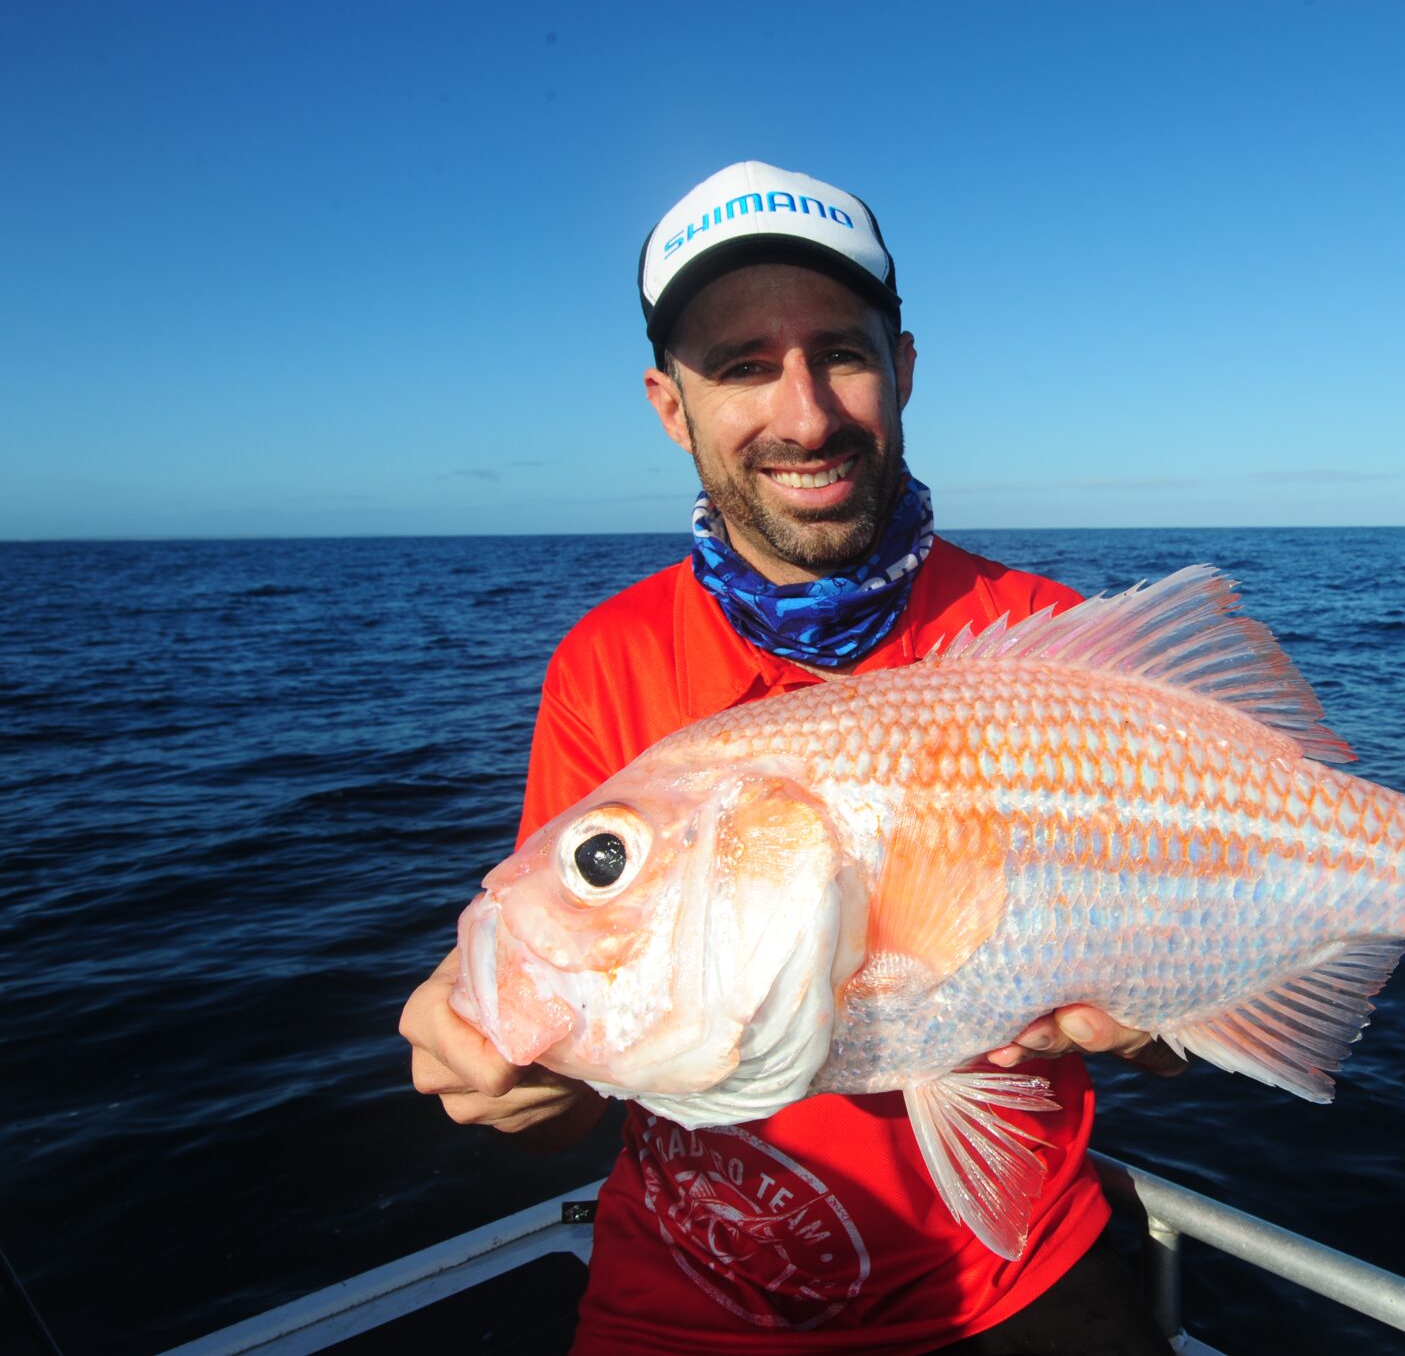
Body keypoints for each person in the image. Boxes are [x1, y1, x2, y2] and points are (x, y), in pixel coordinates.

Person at [400, 161, 1181, 1355]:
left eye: (842, 354)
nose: (806, 415)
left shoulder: (1052, 649)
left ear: (904, 368)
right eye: (742, 366)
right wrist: (518, 1071)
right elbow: (579, 1080)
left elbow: (1180, 1032)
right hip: (685, 1302)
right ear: (672, 405)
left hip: (1022, 1276)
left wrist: (1157, 1012)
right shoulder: (604, 664)